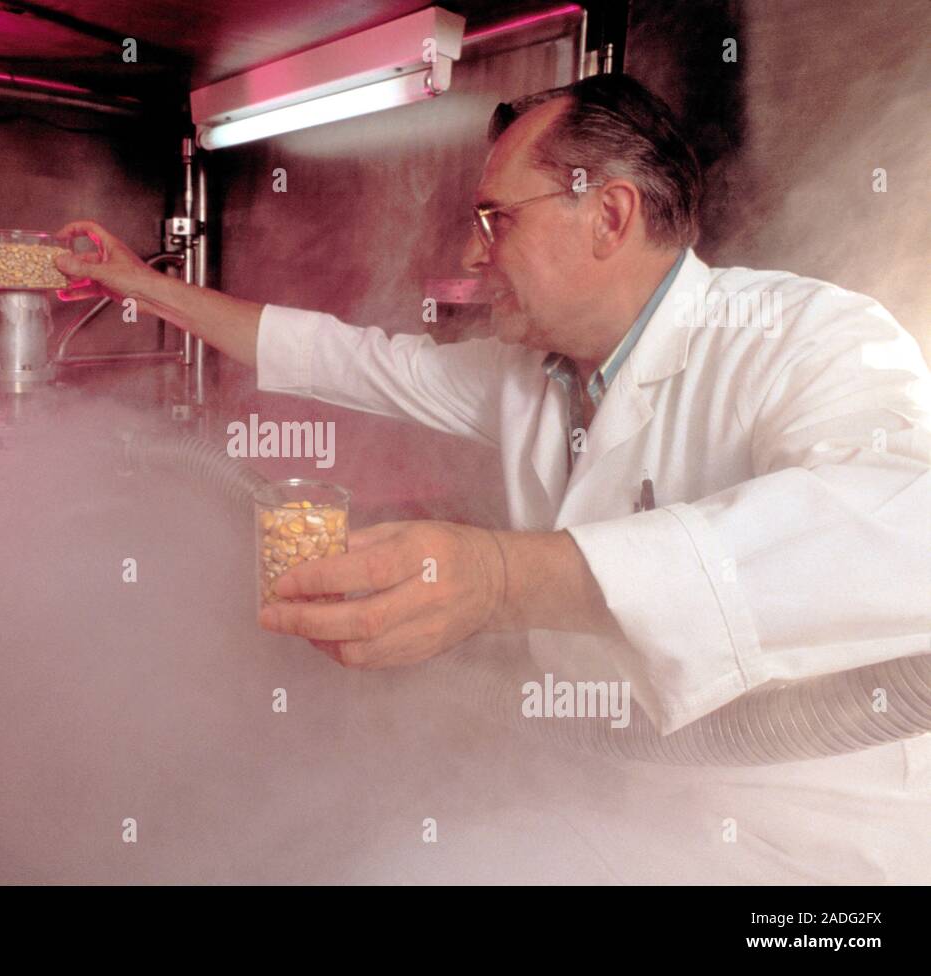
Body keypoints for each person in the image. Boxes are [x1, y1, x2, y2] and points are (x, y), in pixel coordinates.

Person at [53, 73, 930, 744]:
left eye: (495, 218)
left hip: (806, 846)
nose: (470, 253)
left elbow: (903, 532)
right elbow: (336, 358)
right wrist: (135, 284)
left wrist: (499, 580)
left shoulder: (808, 335)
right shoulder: (527, 373)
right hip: (614, 791)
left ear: (609, 217)